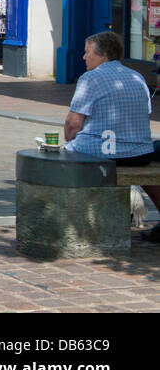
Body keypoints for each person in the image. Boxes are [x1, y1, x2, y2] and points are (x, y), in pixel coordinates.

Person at [63, 31, 160, 241]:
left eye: (87, 52)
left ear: (103, 55)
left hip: (101, 153)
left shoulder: (90, 78)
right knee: (147, 172)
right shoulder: (137, 76)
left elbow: (73, 125)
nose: (83, 57)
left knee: (59, 158)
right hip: (140, 154)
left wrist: (70, 140)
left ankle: (76, 222)